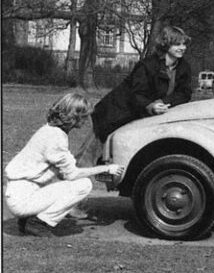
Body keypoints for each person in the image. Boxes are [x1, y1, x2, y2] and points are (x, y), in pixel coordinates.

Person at [72, 25, 192, 214]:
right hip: (116, 114)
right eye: (178, 44)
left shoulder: (183, 67)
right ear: (166, 44)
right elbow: (135, 94)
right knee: (86, 159)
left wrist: (163, 102)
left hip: (142, 118)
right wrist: (150, 105)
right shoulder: (147, 65)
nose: (182, 48)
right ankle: (69, 204)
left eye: (184, 44)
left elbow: (184, 93)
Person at [4, 93, 124, 237]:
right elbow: (72, 174)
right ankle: (37, 223)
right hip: (22, 198)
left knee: (68, 183)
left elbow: (63, 174)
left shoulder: (50, 130)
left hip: (21, 191)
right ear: (74, 116)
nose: (86, 120)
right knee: (84, 185)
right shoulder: (56, 138)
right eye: (84, 116)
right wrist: (107, 168)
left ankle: (26, 220)